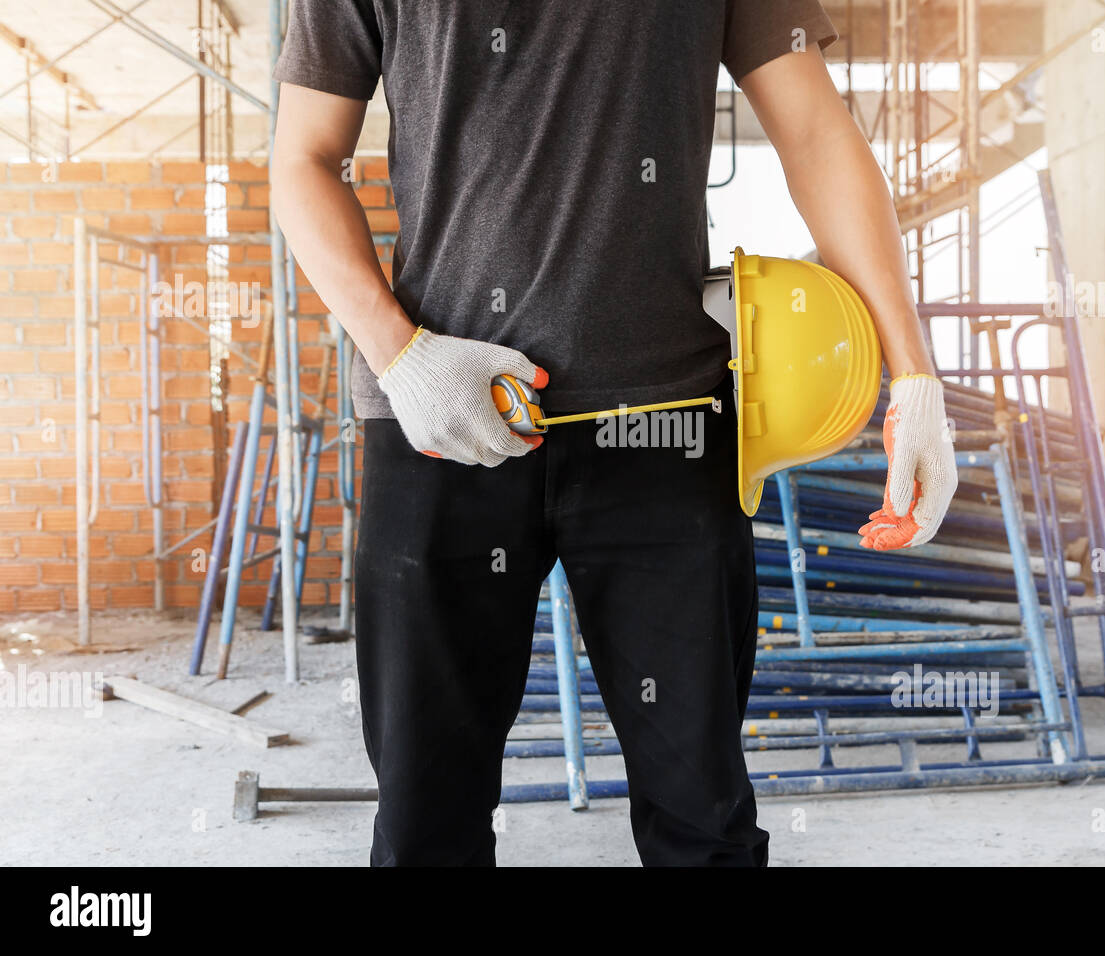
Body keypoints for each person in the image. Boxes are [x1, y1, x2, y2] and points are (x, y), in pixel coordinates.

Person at [270, 0, 957, 867]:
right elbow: (302, 156)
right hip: (442, 420)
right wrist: (397, 354)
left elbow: (816, 134)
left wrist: (916, 377)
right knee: (422, 824)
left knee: (702, 823)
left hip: (664, 427)